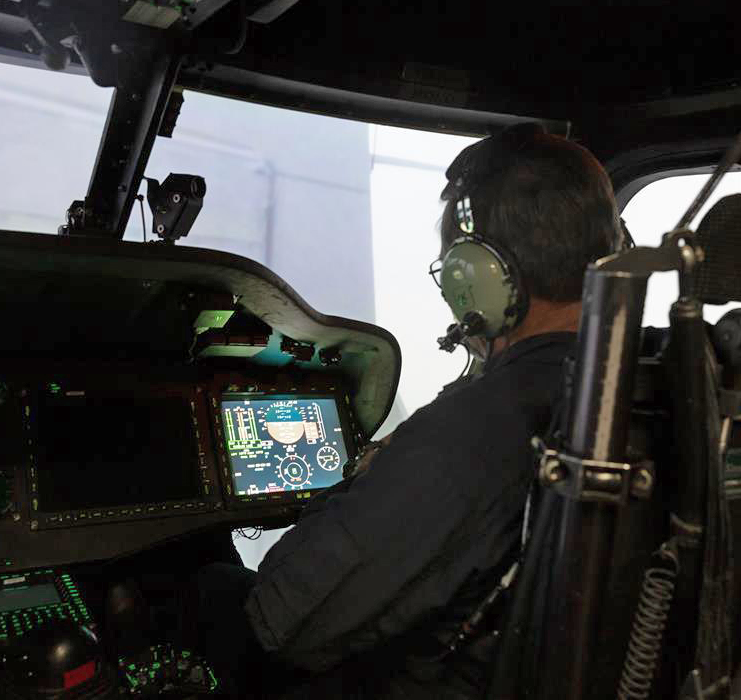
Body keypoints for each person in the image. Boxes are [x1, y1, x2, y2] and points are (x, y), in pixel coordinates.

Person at [186, 123, 625, 699]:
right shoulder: (639, 388)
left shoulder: (476, 429)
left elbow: (280, 617)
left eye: (452, 272)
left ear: (480, 278)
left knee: (204, 591)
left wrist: (362, 486)